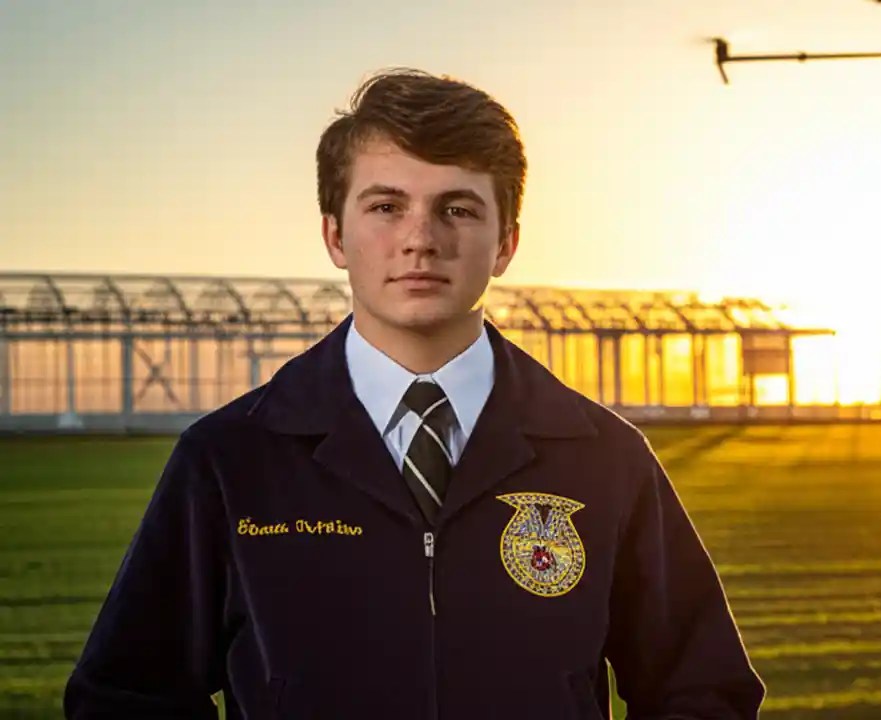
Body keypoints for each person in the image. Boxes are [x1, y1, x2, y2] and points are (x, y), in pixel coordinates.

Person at [64, 68, 765, 718]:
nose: (420, 239)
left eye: (457, 208)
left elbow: (703, 689)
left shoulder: (606, 459)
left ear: (506, 243)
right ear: (335, 236)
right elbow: (125, 695)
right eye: (386, 206)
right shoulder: (229, 459)